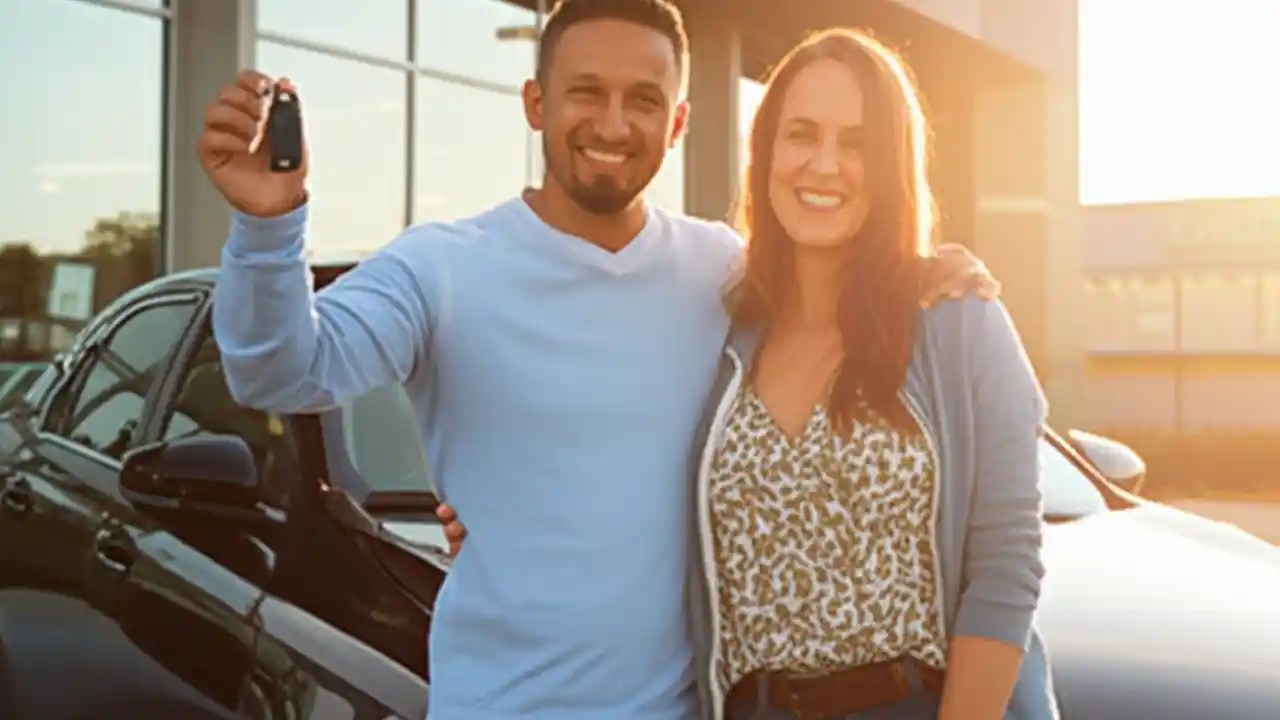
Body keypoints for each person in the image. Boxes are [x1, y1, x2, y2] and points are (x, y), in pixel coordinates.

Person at [196, 1, 1000, 718]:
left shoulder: (725, 272)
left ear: (677, 123)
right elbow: (282, 372)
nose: (613, 124)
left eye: (643, 100)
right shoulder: (441, 268)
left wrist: (924, 273)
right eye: (586, 92)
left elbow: (838, 308)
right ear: (536, 104)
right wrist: (270, 228)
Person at [683, 28, 1054, 720]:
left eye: (856, 144)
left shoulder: (958, 321)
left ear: (892, 166)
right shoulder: (716, 334)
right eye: (801, 135)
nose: (825, 165)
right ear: (766, 152)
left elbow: (1007, 564)